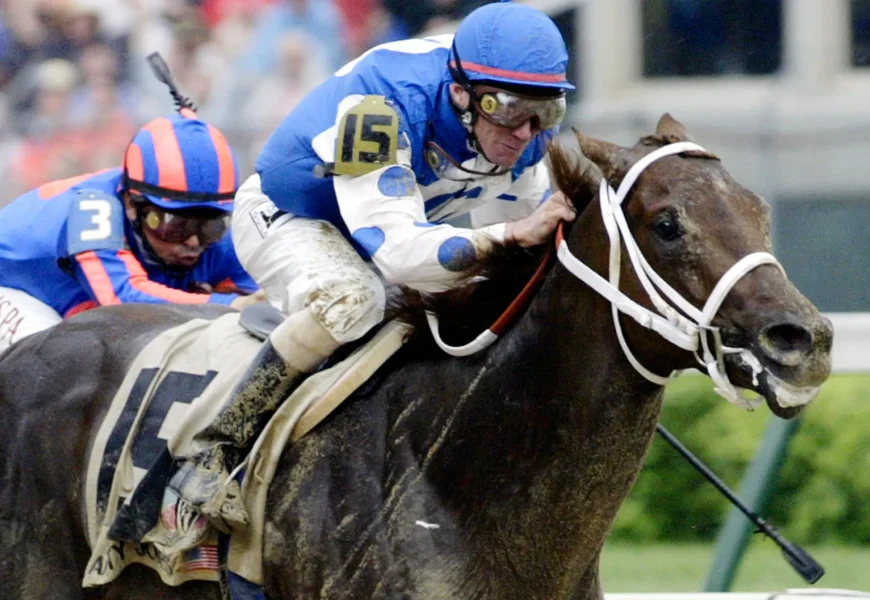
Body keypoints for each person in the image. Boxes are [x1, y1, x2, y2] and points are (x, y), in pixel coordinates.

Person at [170, 1, 577, 530]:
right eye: (505, 108)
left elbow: (522, 260)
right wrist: (505, 235)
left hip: (387, 232)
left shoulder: (521, 133)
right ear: (461, 92)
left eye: (544, 112)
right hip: (290, 215)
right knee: (354, 299)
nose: (524, 132)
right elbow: (401, 254)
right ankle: (214, 451)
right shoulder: (382, 107)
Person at [0, 65, 260, 354]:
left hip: (75, 297)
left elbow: (264, 299)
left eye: (209, 225)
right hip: (15, 289)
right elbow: (125, 302)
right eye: (175, 224)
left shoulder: (219, 237)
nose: (193, 242)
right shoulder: (93, 207)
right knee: (53, 361)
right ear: (131, 204)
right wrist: (229, 305)